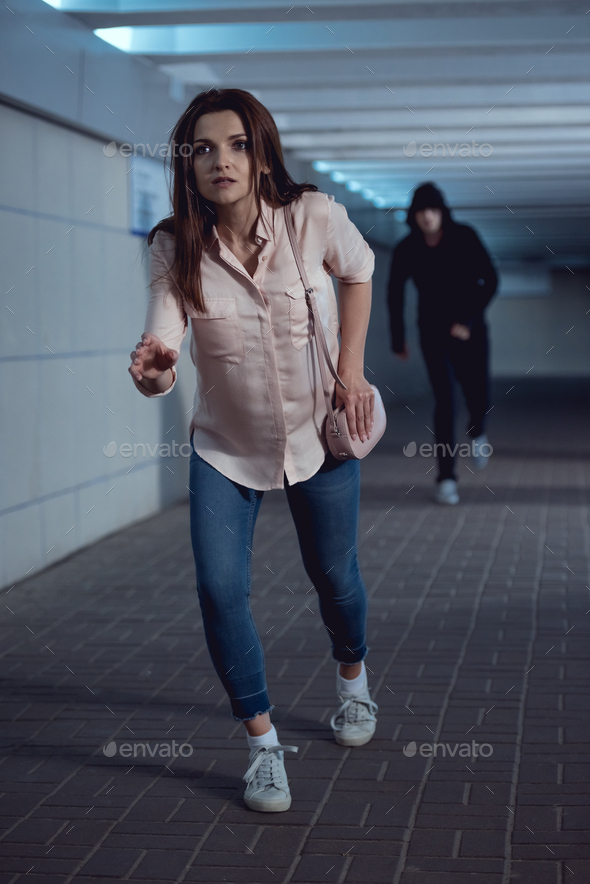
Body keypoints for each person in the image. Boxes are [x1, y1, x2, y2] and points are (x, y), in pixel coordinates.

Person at [128, 88, 378, 813]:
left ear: (261, 154)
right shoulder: (174, 246)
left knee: (335, 578)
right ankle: (263, 747)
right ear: (188, 164)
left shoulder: (312, 216)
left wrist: (352, 369)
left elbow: (359, 271)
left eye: (237, 144)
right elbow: (161, 346)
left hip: (318, 436)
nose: (222, 161)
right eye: (204, 149)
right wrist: (153, 373)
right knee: (218, 589)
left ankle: (353, 681)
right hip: (225, 448)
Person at [387, 182, 498, 505]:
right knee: (446, 400)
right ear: (413, 215)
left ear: (442, 212)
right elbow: (394, 293)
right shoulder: (407, 248)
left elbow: (490, 280)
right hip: (433, 333)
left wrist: (468, 320)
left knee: (478, 395)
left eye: (433, 210)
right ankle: (446, 478)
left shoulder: (465, 237)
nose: (427, 217)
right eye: (422, 211)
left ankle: (477, 430)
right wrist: (398, 338)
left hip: (471, 331)